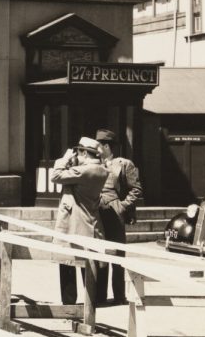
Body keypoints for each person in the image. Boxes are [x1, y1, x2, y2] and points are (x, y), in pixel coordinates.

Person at [48, 137, 109, 305]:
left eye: (78, 152)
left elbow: (55, 176)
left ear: (83, 152)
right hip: (89, 224)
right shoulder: (100, 169)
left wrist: (65, 158)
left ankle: (70, 304)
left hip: (73, 225)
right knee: (88, 266)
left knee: (67, 263)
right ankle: (92, 303)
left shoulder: (84, 171)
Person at [96, 128, 142, 306]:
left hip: (115, 212)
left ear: (106, 146)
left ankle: (119, 296)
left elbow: (135, 189)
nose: (96, 149)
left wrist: (122, 207)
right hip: (97, 212)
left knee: (116, 254)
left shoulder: (124, 164)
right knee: (100, 253)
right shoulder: (94, 163)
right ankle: (100, 296)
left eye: (99, 145)